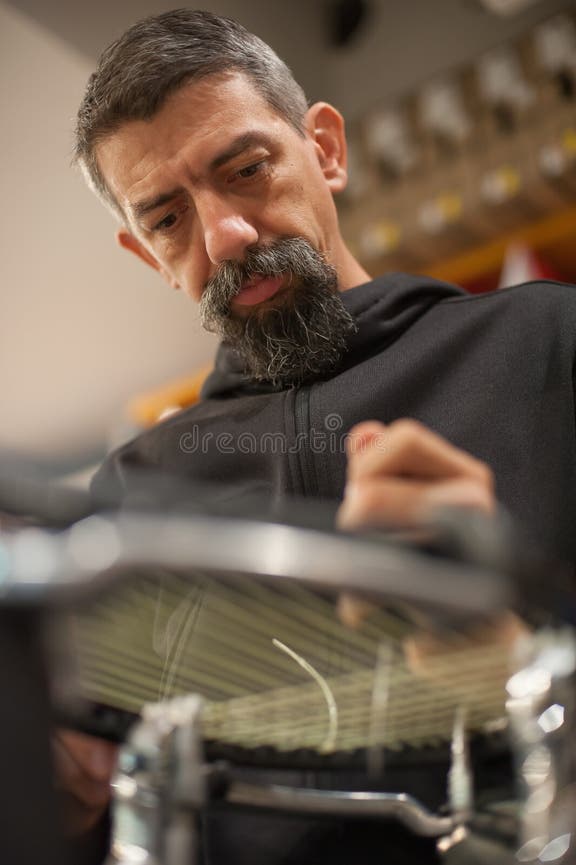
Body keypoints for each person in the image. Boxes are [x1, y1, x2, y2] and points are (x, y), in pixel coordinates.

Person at [61, 8, 576, 863]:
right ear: (146, 253)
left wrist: (515, 669)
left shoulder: (548, 345)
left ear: (326, 150)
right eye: (167, 219)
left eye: (246, 169)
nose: (224, 235)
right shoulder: (131, 494)